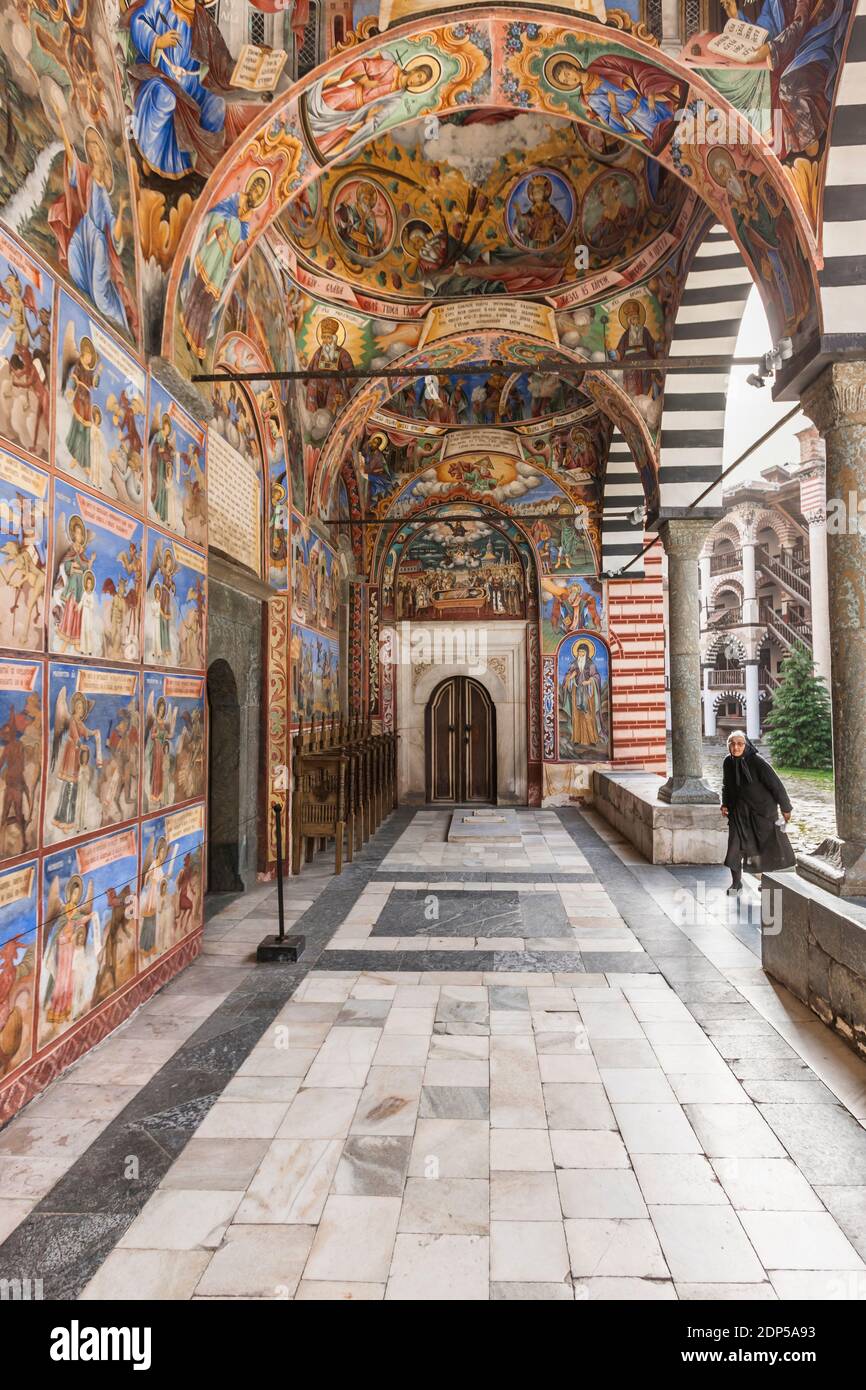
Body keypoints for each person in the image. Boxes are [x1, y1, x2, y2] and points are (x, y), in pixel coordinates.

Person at [721, 732, 793, 894]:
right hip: (738, 813)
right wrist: (725, 803)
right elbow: (726, 784)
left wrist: (786, 807)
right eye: (732, 743)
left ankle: (766, 882)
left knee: (765, 848)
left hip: (762, 812)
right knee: (734, 847)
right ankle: (736, 883)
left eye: (740, 743)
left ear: (746, 745)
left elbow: (776, 785)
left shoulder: (757, 762)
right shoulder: (728, 762)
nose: (736, 747)